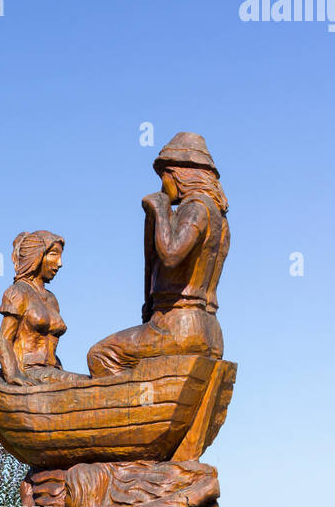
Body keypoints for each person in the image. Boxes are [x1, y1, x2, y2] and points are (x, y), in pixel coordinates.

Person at [87, 133, 229, 375]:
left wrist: (160, 209)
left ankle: (141, 410)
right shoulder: (219, 219)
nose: (162, 186)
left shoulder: (195, 208)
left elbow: (171, 254)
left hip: (178, 325)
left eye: (164, 177)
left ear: (177, 174)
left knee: (100, 356)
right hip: (210, 330)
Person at [0, 230, 66, 384]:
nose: (60, 263)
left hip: (52, 372)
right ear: (37, 256)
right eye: (53, 254)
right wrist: (13, 374)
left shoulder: (52, 299)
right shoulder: (18, 292)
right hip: (29, 373)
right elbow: (3, 340)